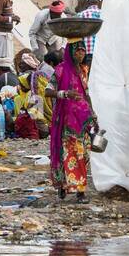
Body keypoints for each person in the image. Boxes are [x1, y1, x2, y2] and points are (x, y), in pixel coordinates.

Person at [49, 41, 94, 202]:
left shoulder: (83, 70)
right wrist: (65, 94)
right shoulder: (60, 70)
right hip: (67, 120)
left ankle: (69, 185)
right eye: (78, 51)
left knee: (85, 154)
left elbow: (86, 93)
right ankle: (78, 191)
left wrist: (93, 114)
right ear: (70, 53)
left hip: (83, 119)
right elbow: (48, 91)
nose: (81, 54)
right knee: (72, 154)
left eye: (83, 51)